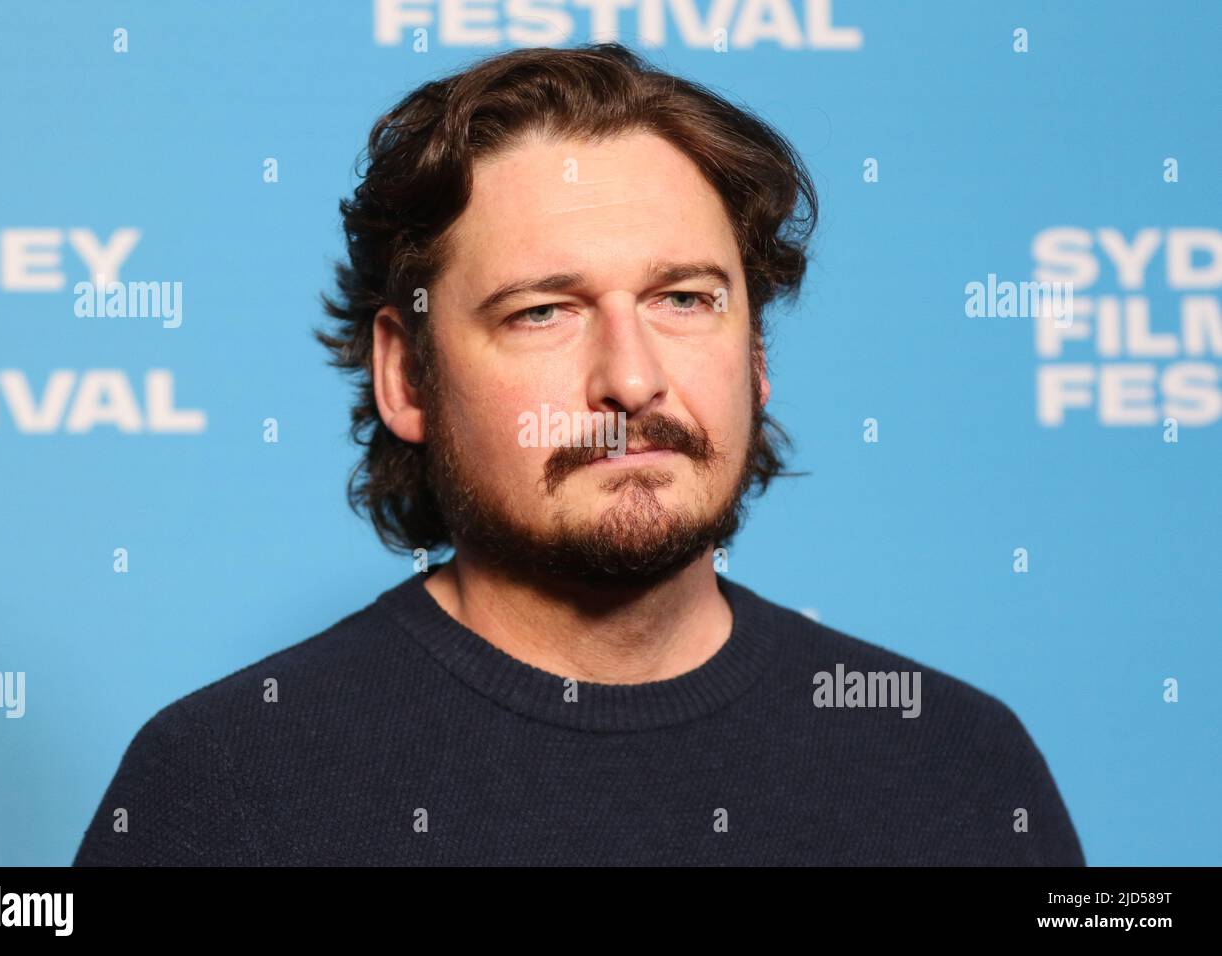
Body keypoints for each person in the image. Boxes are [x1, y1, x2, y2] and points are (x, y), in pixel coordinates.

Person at [73, 42, 1084, 866]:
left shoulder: (950, 761)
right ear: (407, 376)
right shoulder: (231, 781)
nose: (631, 379)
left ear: (757, 354)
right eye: (543, 311)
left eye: (684, 299)